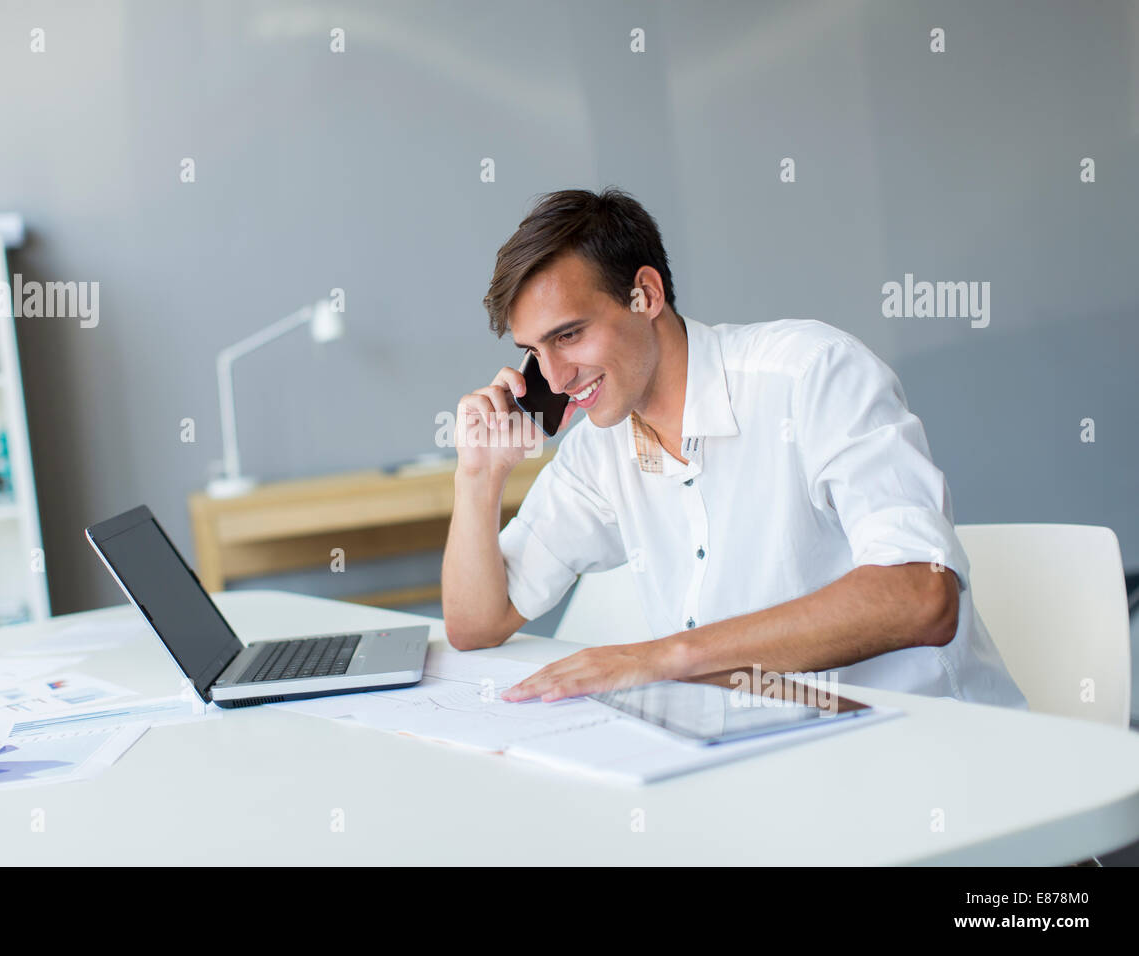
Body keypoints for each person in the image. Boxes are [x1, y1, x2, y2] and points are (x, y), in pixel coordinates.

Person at [440, 186, 1027, 709]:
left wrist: (662, 658)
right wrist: (479, 476)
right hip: (763, 766)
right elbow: (476, 624)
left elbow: (921, 595)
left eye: (569, 335)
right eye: (535, 352)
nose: (558, 378)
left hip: (922, 752)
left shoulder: (811, 375)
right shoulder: (600, 447)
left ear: (645, 294)